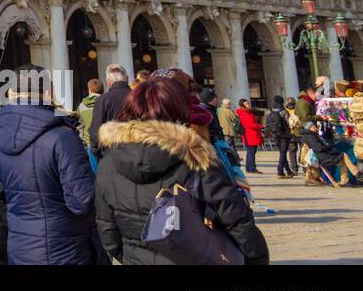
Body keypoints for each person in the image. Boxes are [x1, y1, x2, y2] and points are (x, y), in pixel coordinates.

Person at [94, 76, 270, 265]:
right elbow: (235, 219)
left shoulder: (108, 163)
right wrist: (256, 258)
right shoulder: (195, 157)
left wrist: (132, 257)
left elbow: (107, 229)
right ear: (178, 110)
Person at [0, 64, 100, 265]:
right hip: (65, 248)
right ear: (48, 92)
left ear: (10, 92)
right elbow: (82, 201)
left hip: (19, 246)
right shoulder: (63, 136)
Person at [88, 65, 131, 160]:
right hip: (138, 155)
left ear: (108, 82)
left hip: (111, 157)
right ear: (127, 78)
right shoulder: (141, 97)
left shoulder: (103, 100)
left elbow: (95, 134)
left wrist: (100, 156)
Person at [263, 95, 295, 178]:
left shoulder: (269, 110)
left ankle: (288, 171)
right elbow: (289, 122)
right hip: (284, 134)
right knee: (283, 153)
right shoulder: (284, 111)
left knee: (282, 153)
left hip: (274, 134)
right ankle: (280, 171)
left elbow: (266, 122)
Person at [77, 79, 103, 170]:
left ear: (90, 90)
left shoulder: (81, 106)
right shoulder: (106, 101)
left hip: (90, 143)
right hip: (107, 142)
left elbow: (80, 124)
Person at [235, 99, 263, 174]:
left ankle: (249, 168)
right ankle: (252, 168)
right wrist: (260, 126)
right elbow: (250, 124)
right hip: (250, 135)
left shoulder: (247, 112)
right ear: (243, 105)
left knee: (250, 152)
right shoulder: (244, 113)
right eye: (246, 104)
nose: (249, 105)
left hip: (251, 135)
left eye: (248, 103)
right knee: (251, 152)